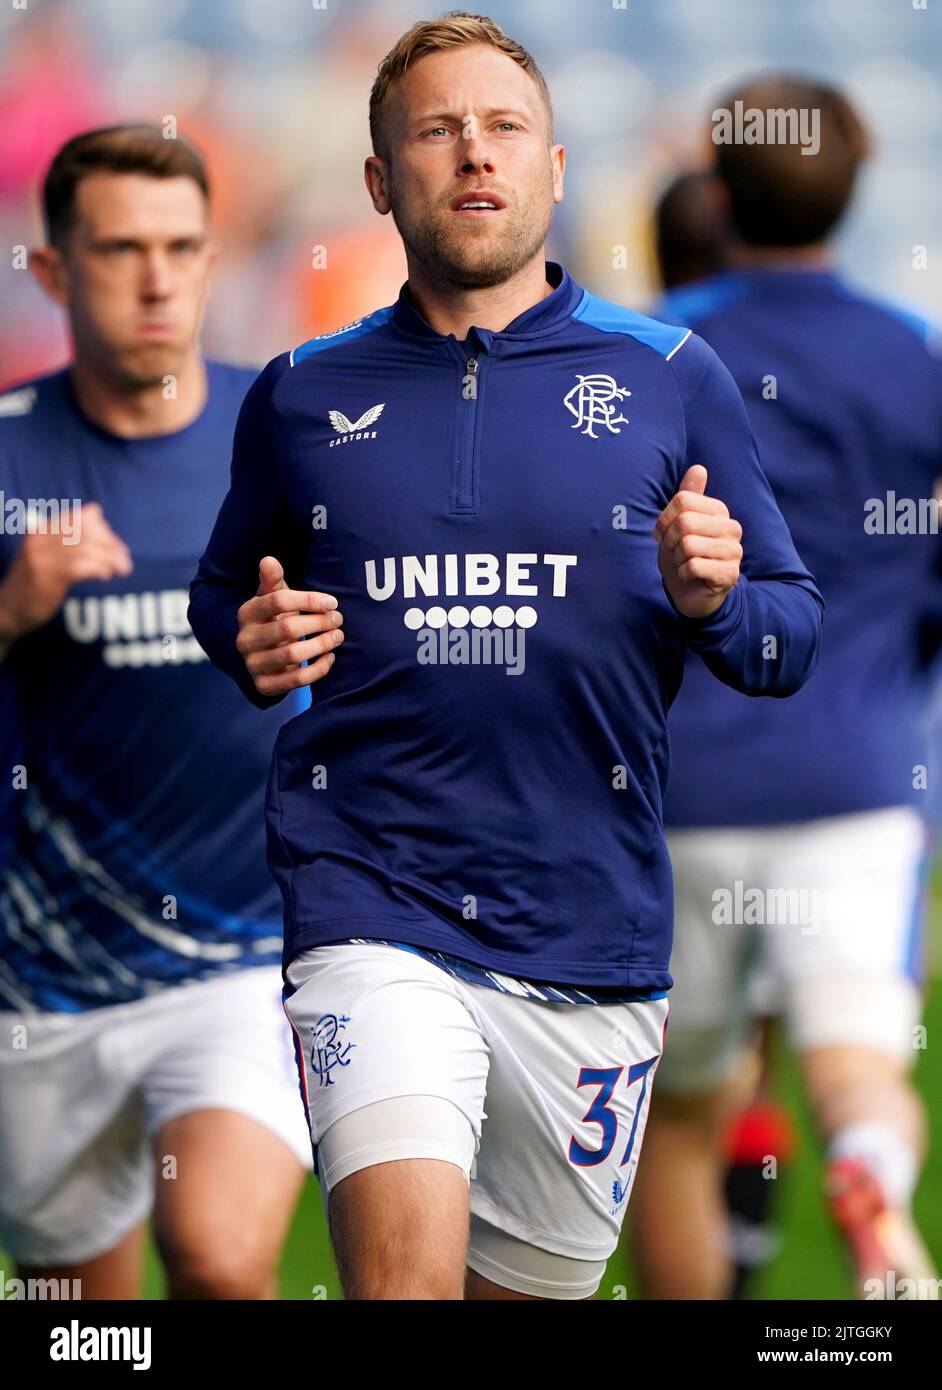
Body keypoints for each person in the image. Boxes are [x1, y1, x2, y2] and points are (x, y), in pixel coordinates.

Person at [189, 12, 823, 1302]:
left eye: (504, 127)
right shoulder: (301, 390)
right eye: (436, 129)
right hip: (372, 904)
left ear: (556, 166)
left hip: (592, 937)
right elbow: (223, 602)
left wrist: (715, 597)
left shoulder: (673, 375)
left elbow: (786, 635)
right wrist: (254, 641)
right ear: (380, 182)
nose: (474, 152)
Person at [630, 76, 941, 1300]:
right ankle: (869, 1170)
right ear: (857, 184)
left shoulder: (643, 355)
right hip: (857, 783)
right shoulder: (916, 358)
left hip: (679, 794)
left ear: (717, 180)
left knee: (679, 1120)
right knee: (864, 1067)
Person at [0, 124, 311, 1299]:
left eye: (183, 247)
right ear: (52, 270)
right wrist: (12, 605)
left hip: (242, 950)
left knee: (221, 1259)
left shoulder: (286, 435)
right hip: (44, 973)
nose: (156, 279)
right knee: (76, 1319)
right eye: (122, 248)